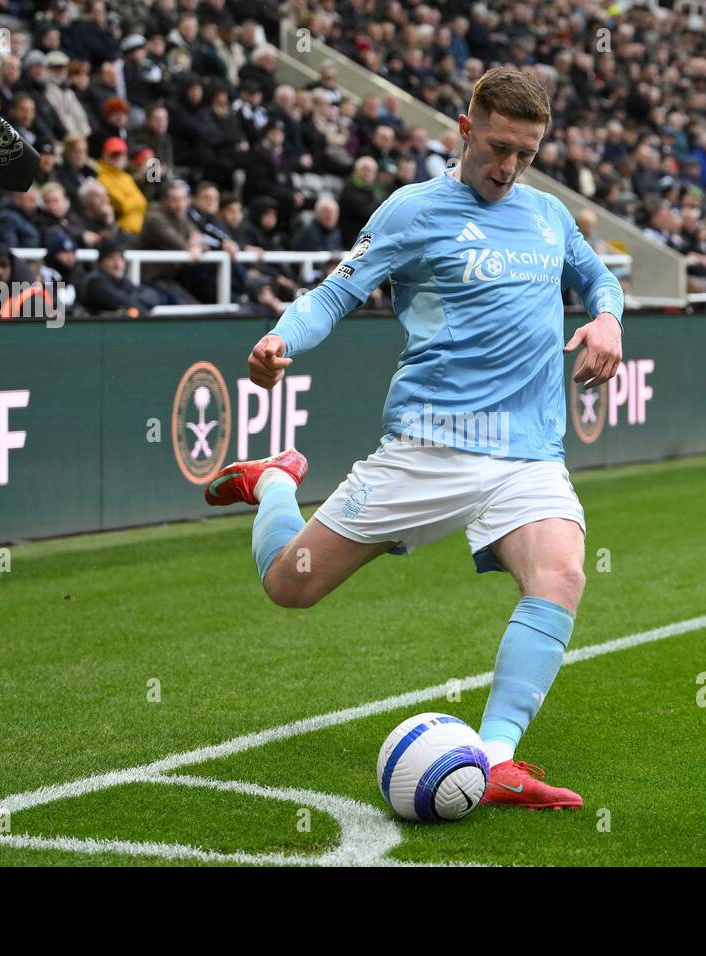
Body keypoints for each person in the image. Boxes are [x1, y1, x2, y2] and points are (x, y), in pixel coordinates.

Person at [204, 68, 624, 811]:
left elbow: (599, 281)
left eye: (525, 155)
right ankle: (273, 479)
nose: (507, 168)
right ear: (464, 131)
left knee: (560, 576)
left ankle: (496, 759)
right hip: (430, 448)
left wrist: (608, 319)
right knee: (290, 585)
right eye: (497, 148)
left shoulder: (550, 216)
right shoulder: (414, 211)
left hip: (527, 451)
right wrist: (280, 340)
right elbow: (335, 291)